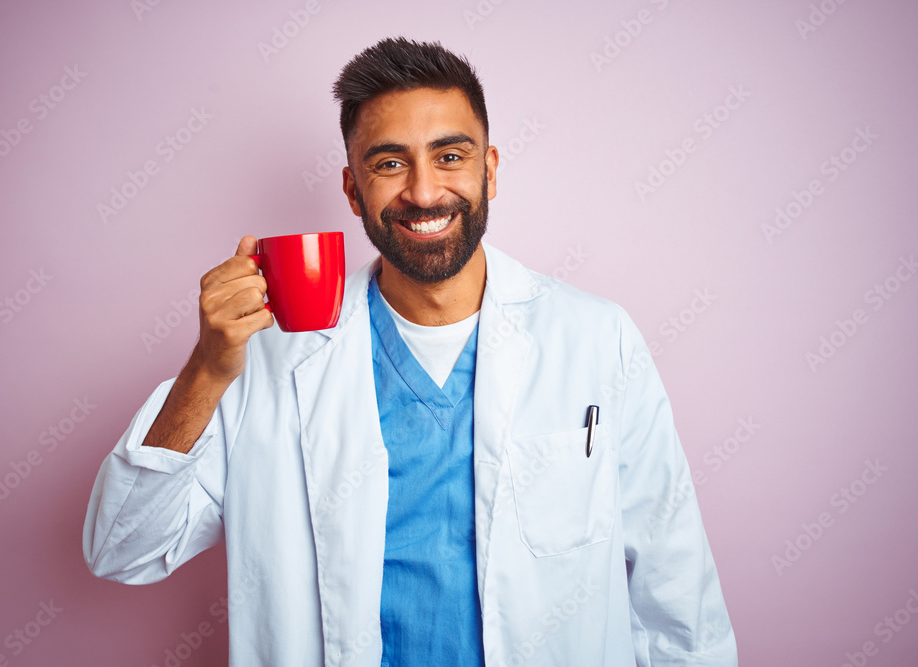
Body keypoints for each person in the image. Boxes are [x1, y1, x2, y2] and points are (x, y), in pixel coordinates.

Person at [83, 37, 738, 666]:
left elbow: (675, 592)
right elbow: (123, 548)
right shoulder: (266, 360)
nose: (424, 192)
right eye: (390, 163)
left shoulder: (596, 339)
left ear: (491, 168)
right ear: (351, 189)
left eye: (450, 156)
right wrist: (208, 366)